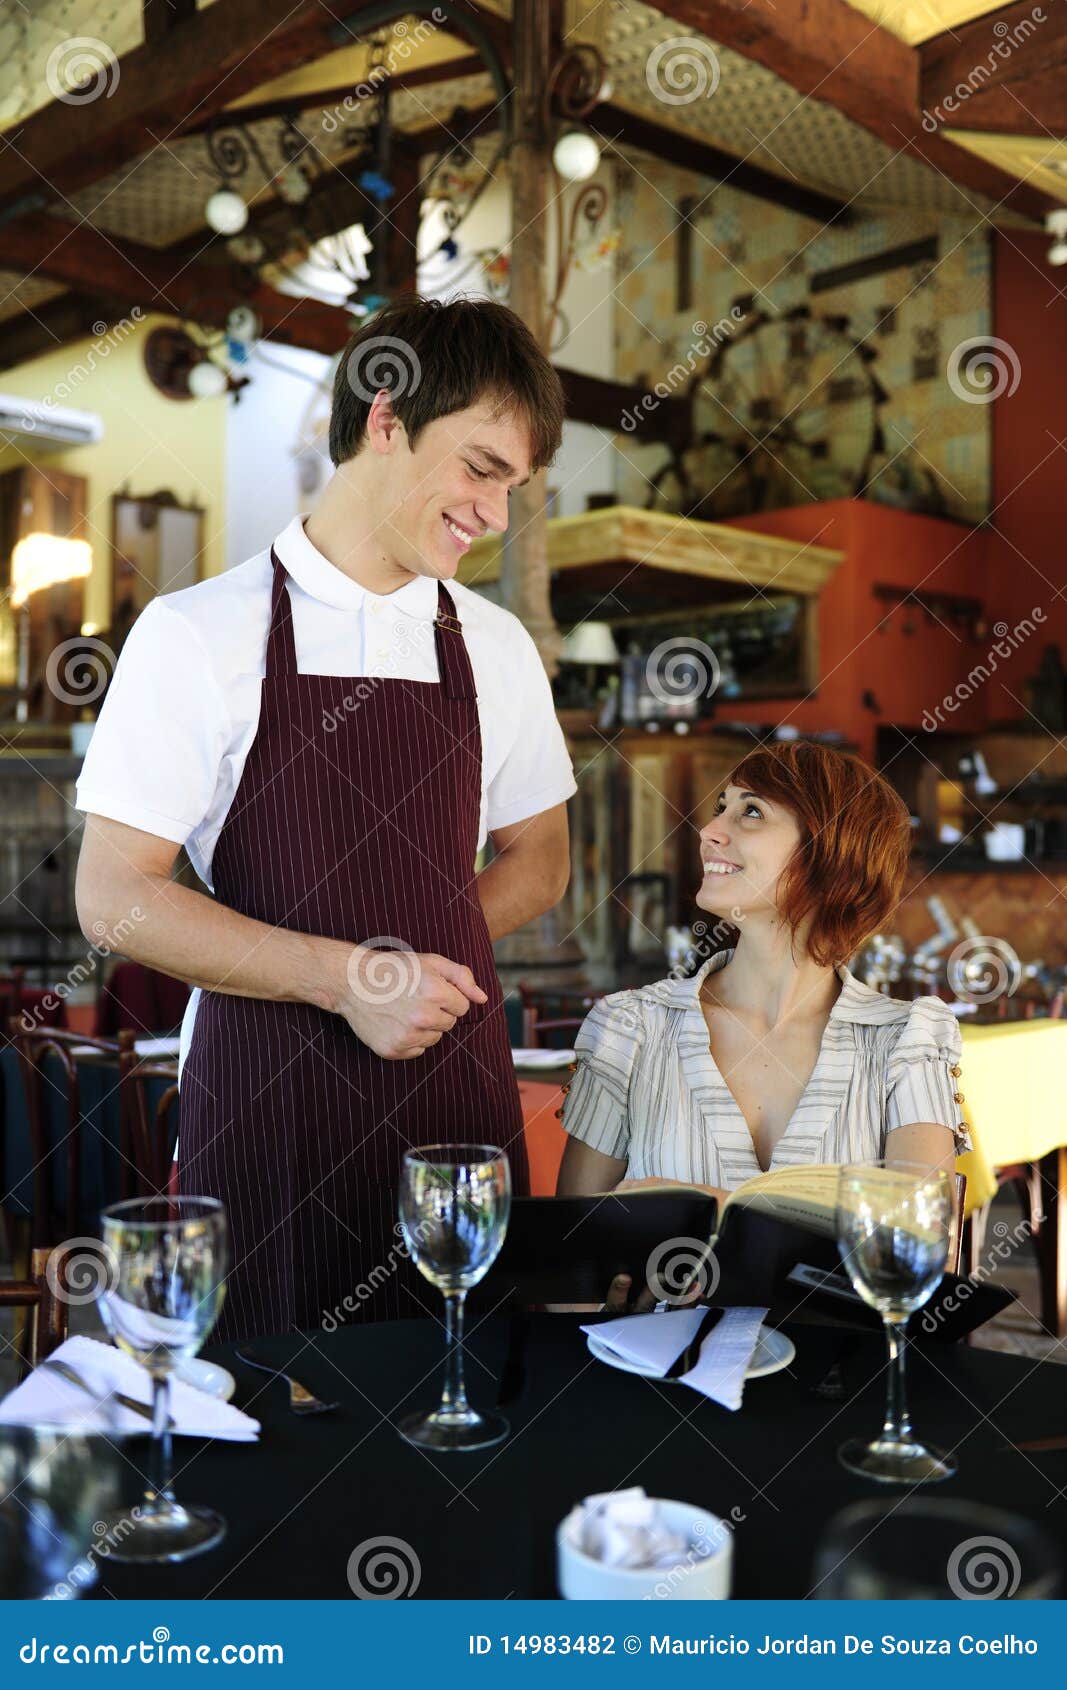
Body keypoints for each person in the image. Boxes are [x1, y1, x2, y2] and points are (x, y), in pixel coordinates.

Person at [74, 295, 576, 1340]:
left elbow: (540, 857)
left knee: (462, 1392)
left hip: (450, 1090)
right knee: (268, 1401)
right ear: (385, 417)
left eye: (513, 487)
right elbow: (113, 896)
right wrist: (346, 980)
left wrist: (414, 971)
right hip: (264, 1095)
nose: (495, 514)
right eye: (481, 468)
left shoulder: (494, 646)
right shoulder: (195, 632)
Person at [556, 741, 970, 1307]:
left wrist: (720, 1212)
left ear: (831, 852)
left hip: (837, 1364)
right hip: (654, 1361)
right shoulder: (629, 1029)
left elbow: (917, 1258)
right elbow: (572, 1274)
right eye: (720, 808)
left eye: (750, 812)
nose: (709, 831)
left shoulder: (907, 1042)